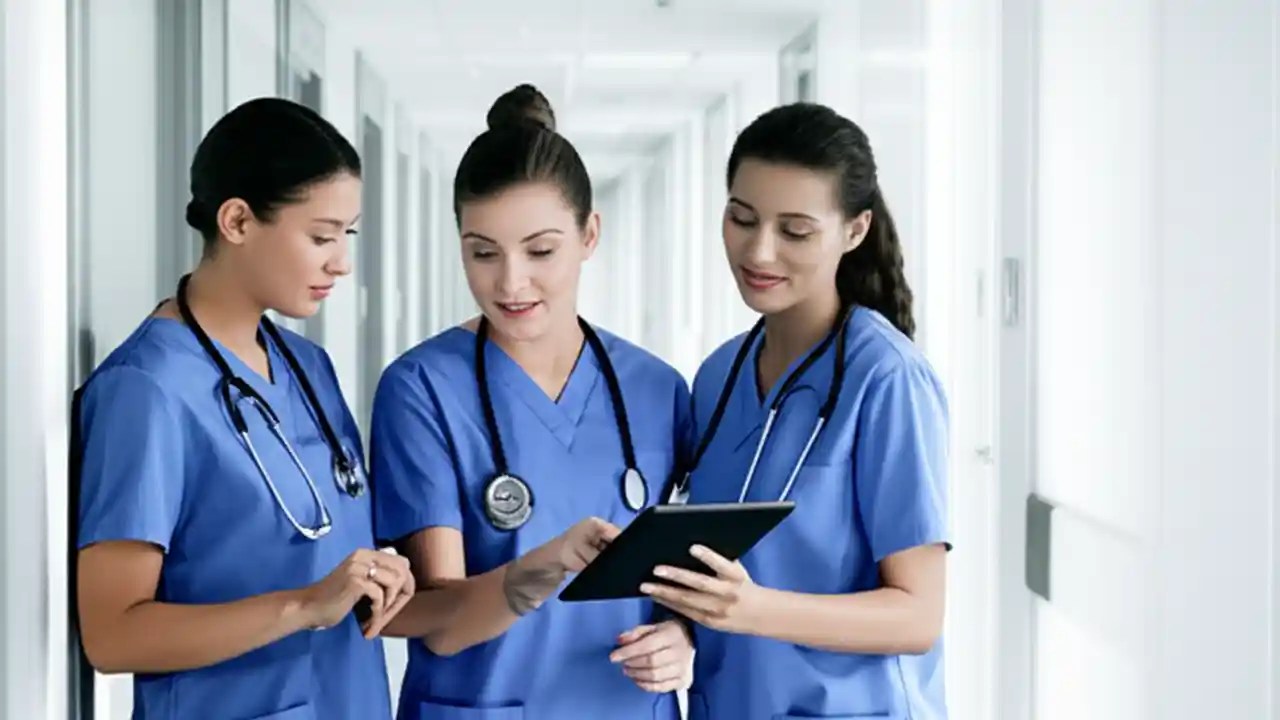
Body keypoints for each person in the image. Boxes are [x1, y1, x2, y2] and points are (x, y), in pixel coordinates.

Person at [72, 97, 413, 720]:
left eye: (347, 235)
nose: (340, 261)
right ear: (236, 221)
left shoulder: (309, 369)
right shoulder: (146, 390)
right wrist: (304, 606)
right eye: (320, 236)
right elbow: (112, 634)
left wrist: (376, 577)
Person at [370, 84, 694, 719]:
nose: (510, 281)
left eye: (540, 250)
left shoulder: (657, 389)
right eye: (482, 253)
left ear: (589, 235)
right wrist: (542, 567)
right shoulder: (422, 389)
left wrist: (683, 636)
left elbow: (688, 575)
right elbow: (438, 618)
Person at [642, 103, 951, 719]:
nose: (759, 250)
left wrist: (756, 612)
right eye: (741, 218)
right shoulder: (719, 377)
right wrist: (683, 627)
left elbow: (918, 614)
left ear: (854, 231)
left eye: (796, 230)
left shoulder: (887, 378)